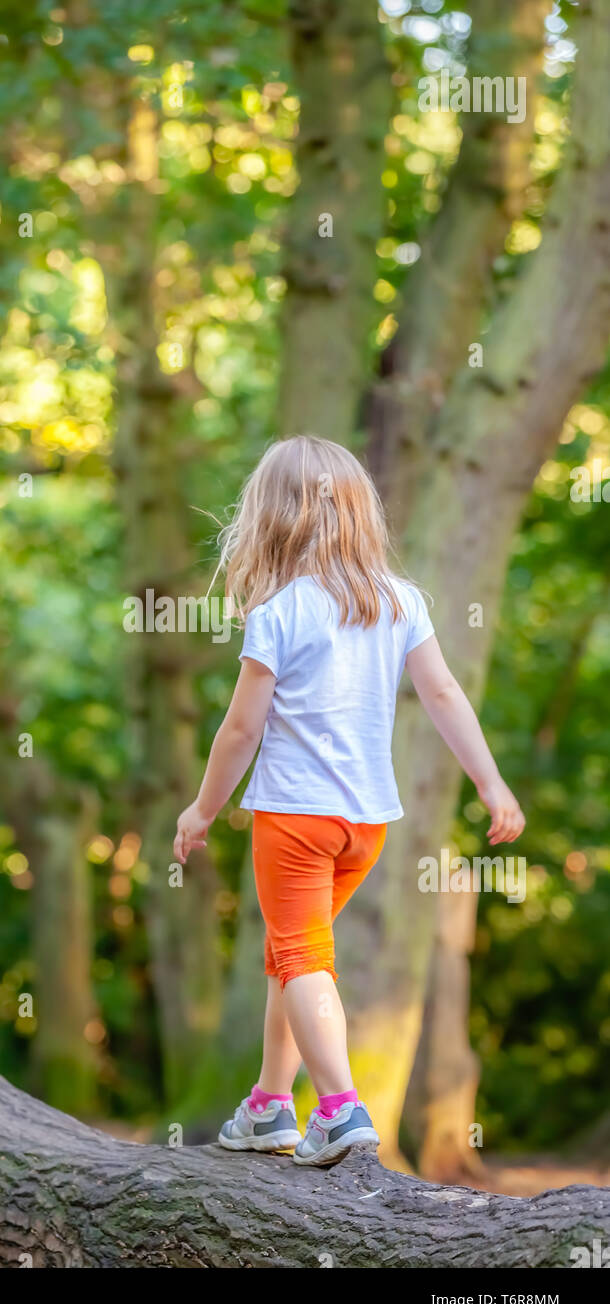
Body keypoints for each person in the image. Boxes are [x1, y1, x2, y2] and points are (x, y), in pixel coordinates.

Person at [173, 436, 525, 1166]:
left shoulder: (279, 614)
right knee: (288, 958)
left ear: (270, 519)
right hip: (366, 823)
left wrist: (202, 809)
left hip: (296, 819)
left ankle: (338, 1108)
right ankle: (271, 1103)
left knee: (301, 959)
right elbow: (443, 693)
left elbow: (241, 729)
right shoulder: (400, 602)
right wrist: (491, 784)